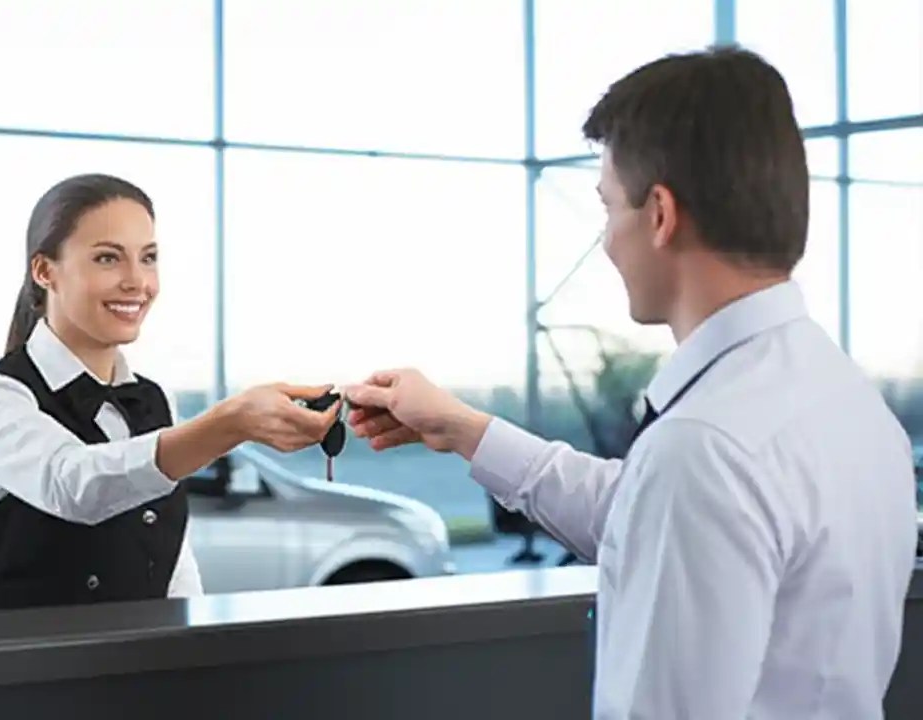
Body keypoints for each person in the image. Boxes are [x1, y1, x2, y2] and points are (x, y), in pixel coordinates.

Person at [344, 47, 917, 719]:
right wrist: (464, 430)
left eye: (608, 206)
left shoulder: (705, 447)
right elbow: (642, 514)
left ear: (660, 216)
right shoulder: (844, 402)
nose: (607, 240)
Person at [0, 173, 339, 612]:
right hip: (33, 674)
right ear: (44, 271)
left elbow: (171, 563)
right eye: (108, 259)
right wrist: (230, 424)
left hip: (139, 670)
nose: (137, 281)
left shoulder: (150, 398)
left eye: (148, 258)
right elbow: (74, 484)